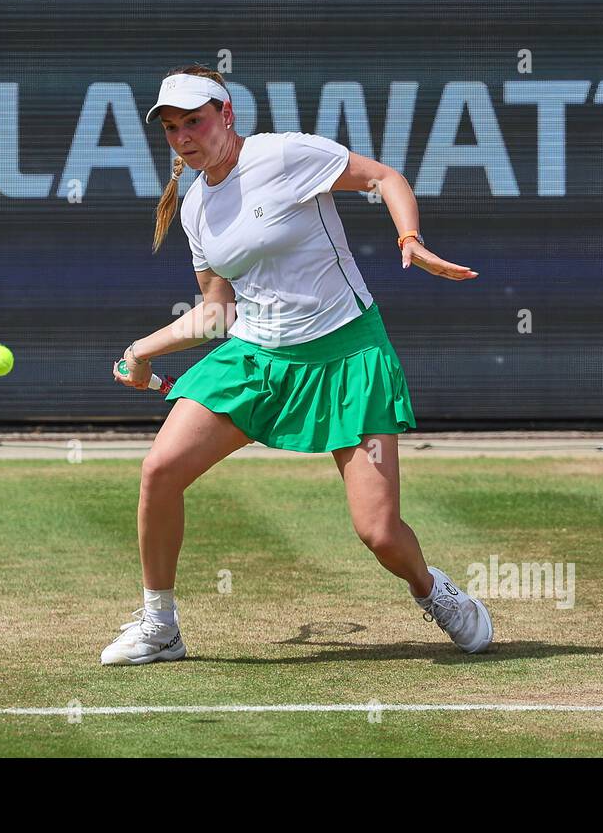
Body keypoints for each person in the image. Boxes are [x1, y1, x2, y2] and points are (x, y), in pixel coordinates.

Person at [103, 63, 492, 665]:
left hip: (347, 355)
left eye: (195, 122)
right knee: (160, 470)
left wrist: (408, 238)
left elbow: (383, 177)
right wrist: (142, 350)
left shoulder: (283, 156)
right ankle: (161, 625)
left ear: (225, 115)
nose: (184, 138)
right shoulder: (195, 208)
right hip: (259, 356)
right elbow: (218, 313)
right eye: (172, 129)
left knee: (379, 532)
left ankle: (432, 591)